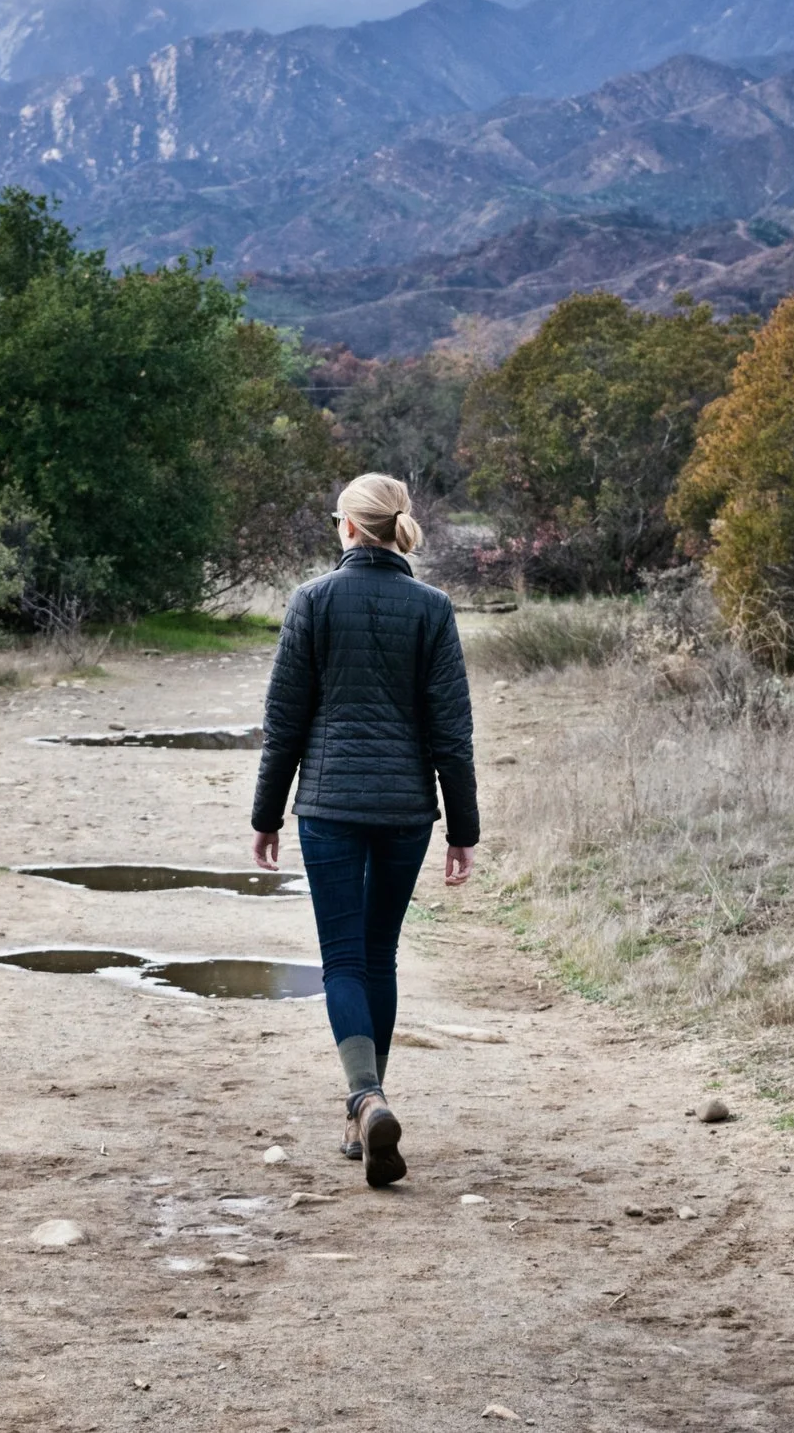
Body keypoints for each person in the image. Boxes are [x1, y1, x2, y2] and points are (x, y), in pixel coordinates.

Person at [251, 472, 478, 1188]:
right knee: (379, 956)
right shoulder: (433, 608)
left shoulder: (312, 601)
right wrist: (461, 829)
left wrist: (265, 815)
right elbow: (453, 734)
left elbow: (284, 721)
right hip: (407, 811)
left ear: (348, 527)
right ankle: (363, 1115)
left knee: (342, 961)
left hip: (329, 807)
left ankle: (365, 1096)